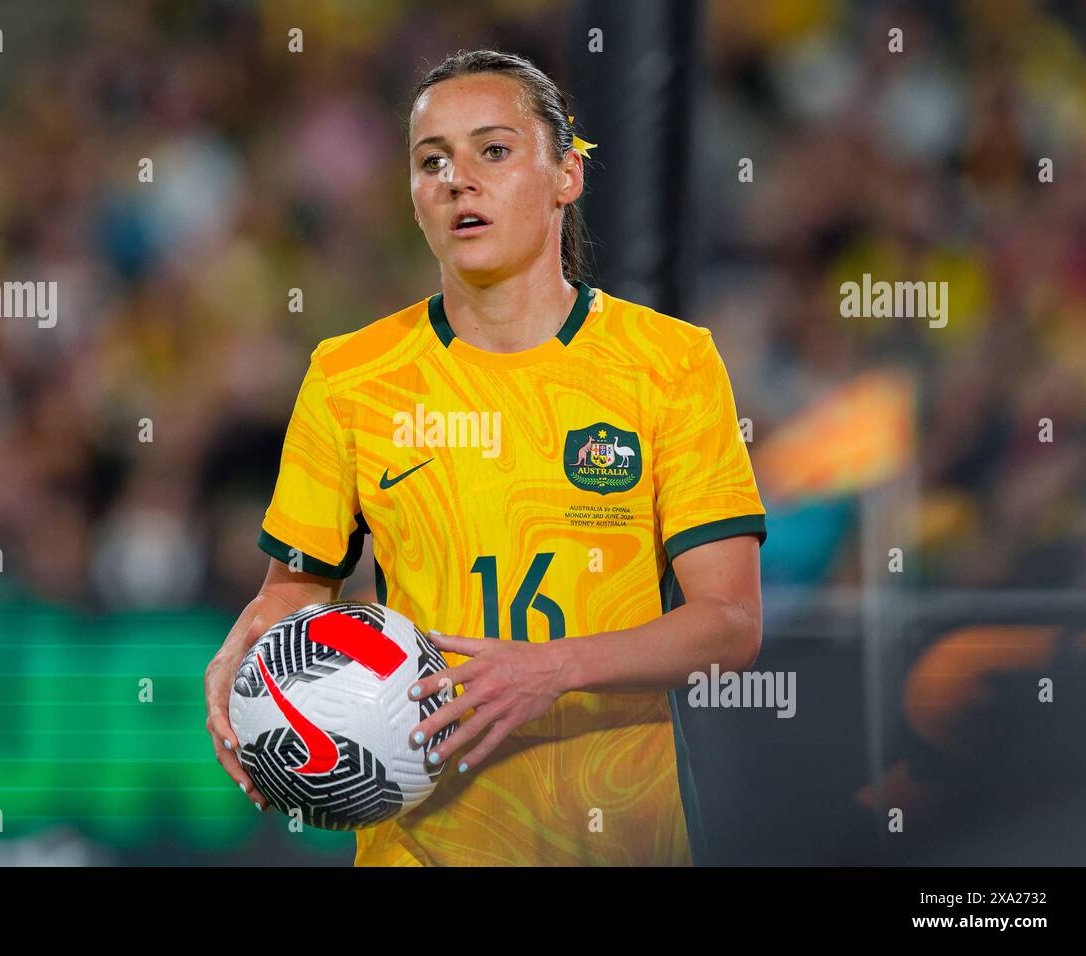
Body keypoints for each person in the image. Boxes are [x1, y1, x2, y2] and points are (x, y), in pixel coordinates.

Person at [204, 49, 766, 866]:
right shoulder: (349, 376)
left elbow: (731, 625)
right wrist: (242, 651)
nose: (457, 179)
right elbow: (294, 589)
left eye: (493, 151)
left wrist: (553, 669)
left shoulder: (670, 364)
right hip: (420, 844)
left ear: (567, 174)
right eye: (432, 160)